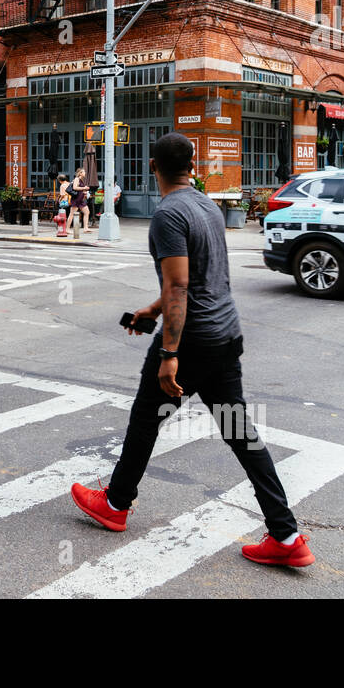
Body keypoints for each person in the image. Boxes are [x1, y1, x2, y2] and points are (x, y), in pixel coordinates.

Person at [69, 132, 314, 569]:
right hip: (225, 335)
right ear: (192, 165)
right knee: (241, 434)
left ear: (151, 166)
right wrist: (152, 308)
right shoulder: (206, 206)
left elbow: (181, 284)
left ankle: (116, 504)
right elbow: (195, 280)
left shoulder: (167, 214)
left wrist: (168, 354)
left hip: (193, 341)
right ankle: (286, 535)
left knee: (145, 422)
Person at [68, 168, 90, 237]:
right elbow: (75, 188)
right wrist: (84, 188)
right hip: (76, 199)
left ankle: (85, 228)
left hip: (81, 199)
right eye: (84, 172)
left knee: (87, 212)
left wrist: (84, 192)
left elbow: (79, 189)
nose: (85, 173)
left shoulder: (81, 180)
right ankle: (67, 229)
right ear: (80, 173)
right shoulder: (77, 179)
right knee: (72, 214)